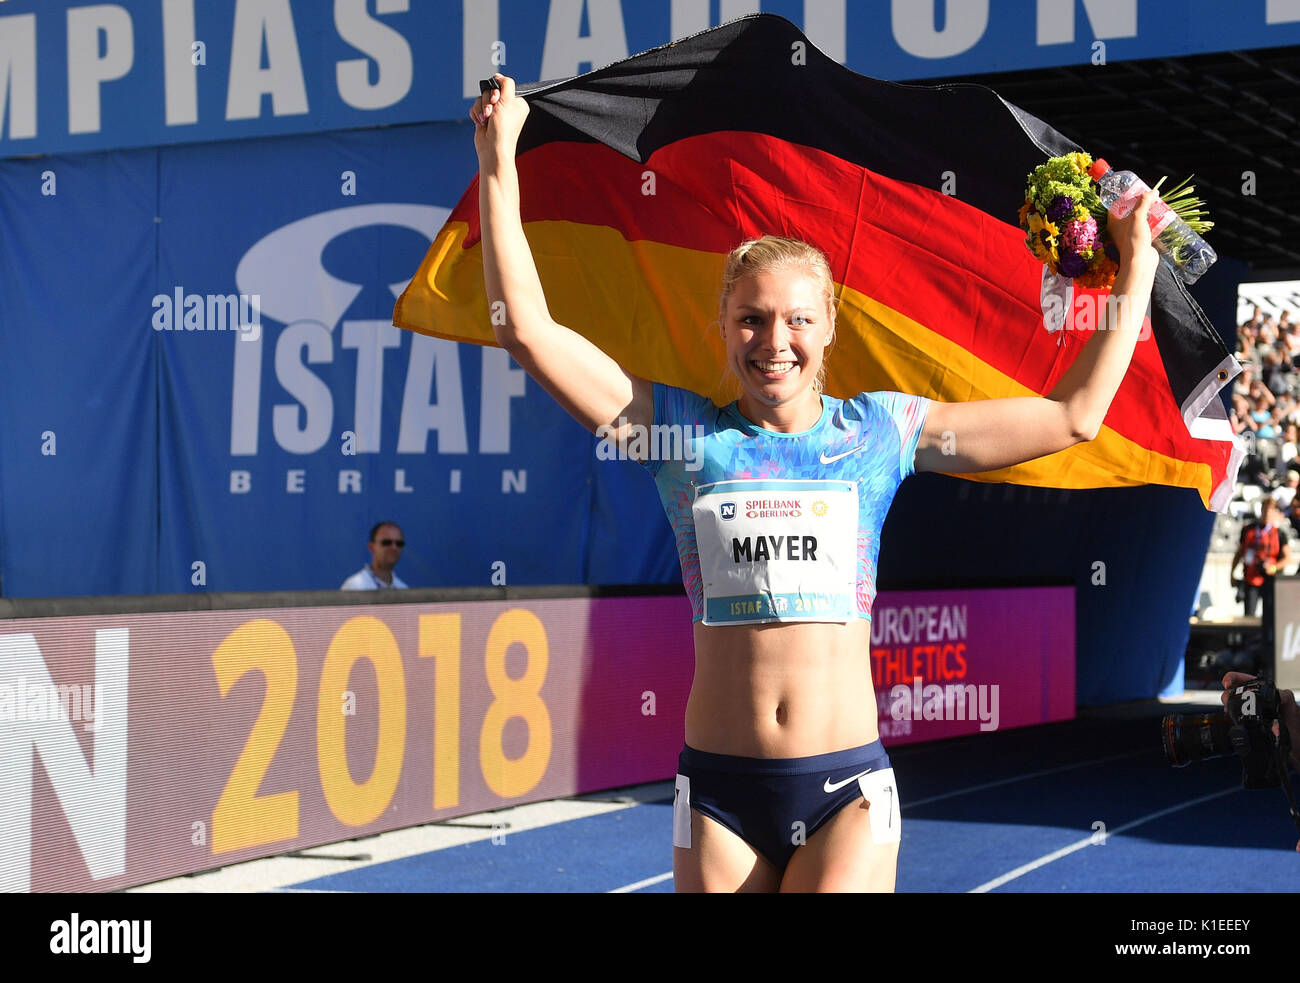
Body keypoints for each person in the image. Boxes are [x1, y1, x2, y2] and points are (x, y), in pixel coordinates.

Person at [471, 74, 1159, 892]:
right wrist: (497, 157)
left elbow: (1073, 417)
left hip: (846, 794)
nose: (775, 340)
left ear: (829, 326)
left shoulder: (881, 434)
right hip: (718, 792)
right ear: (723, 329)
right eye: (752, 319)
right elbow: (525, 329)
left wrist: (1136, 268)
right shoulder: (680, 435)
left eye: (798, 318)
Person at [1232, 499, 1291, 652]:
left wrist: (1273, 567)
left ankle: (1268, 648)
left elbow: (1287, 558)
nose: (1267, 514)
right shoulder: (1249, 529)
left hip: (1270, 580)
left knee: (1270, 616)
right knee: (1249, 616)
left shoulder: (1279, 534)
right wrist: (1232, 573)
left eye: (1270, 511)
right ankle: (1247, 650)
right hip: (1251, 579)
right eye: (1265, 510)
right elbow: (1239, 553)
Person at [340, 521, 409, 590]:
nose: (394, 547)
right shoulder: (354, 586)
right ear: (371, 547)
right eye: (387, 542)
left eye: (399, 543)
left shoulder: (402, 588)